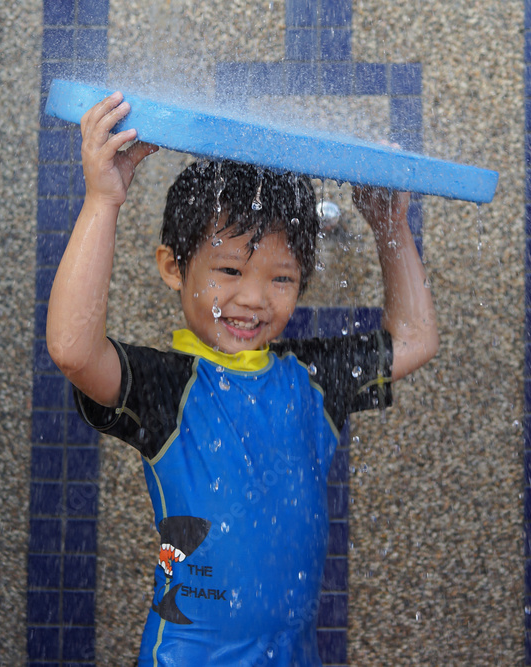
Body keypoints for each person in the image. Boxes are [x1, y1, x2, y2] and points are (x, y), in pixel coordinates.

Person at [47, 92, 439, 666]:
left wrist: (389, 225)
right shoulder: (166, 388)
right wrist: (103, 201)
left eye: (281, 278)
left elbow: (416, 340)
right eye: (229, 270)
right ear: (173, 268)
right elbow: (73, 348)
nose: (253, 298)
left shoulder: (312, 379)